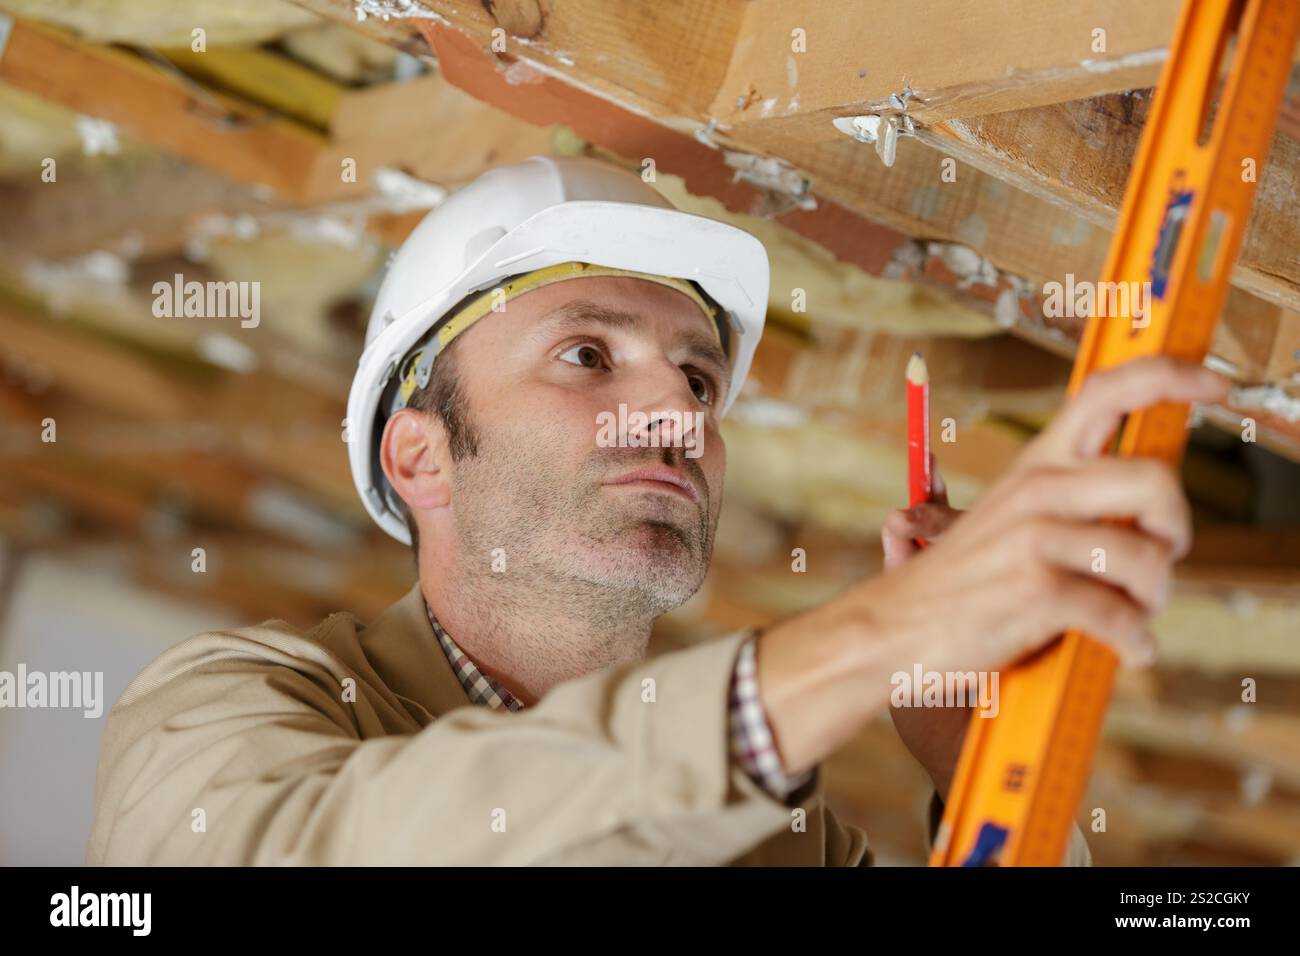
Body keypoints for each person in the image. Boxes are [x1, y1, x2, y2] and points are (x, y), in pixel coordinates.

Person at [87, 155, 1226, 865]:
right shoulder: (229, 712)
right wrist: (886, 632)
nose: (676, 412)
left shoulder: (781, 845)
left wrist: (981, 767)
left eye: (696, 378)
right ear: (421, 453)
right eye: (587, 354)